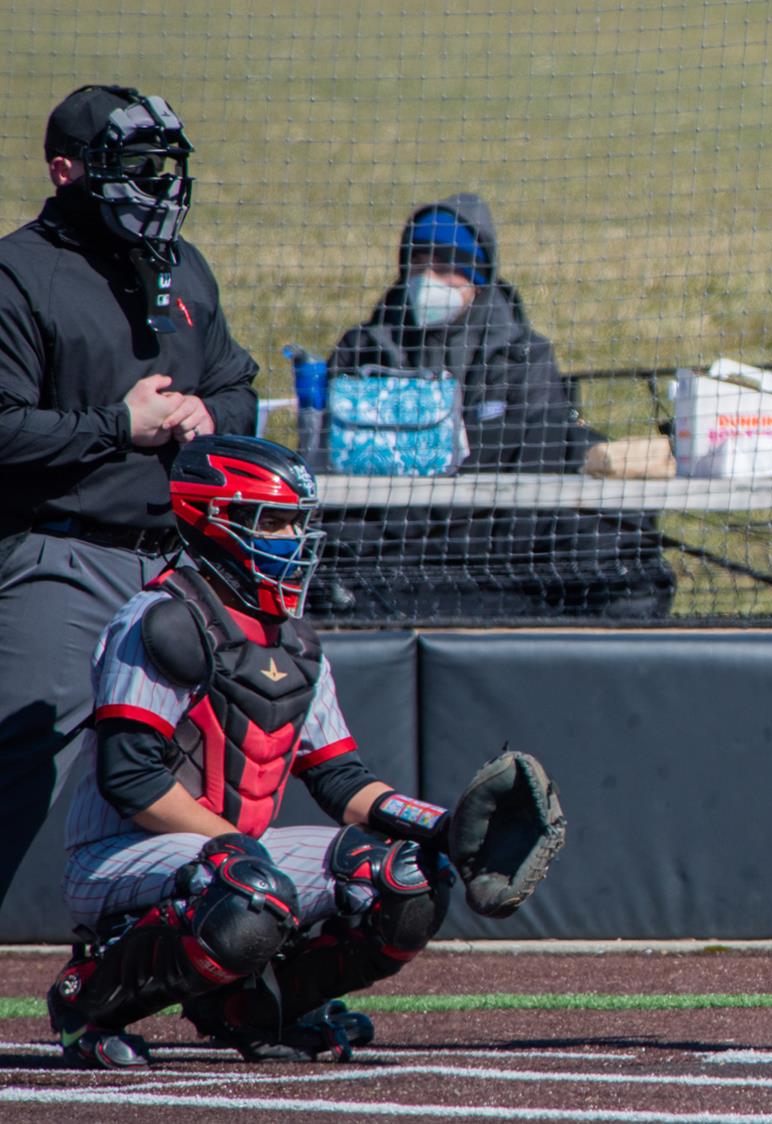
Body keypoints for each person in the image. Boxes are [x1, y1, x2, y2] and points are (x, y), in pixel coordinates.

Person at [46, 435, 456, 1069]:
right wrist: (238, 849)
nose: (293, 537)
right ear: (216, 520)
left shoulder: (294, 642)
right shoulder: (161, 618)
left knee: (407, 881)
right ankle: (88, 1001)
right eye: (275, 521)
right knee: (250, 888)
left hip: (229, 854)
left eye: (298, 522)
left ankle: (254, 1010)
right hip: (117, 855)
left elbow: (341, 779)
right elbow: (131, 778)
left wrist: (445, 828)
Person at [0, 85, 260, 913]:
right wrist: (119, 425)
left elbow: (238, 384)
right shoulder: (18, 274)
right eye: (130, 169)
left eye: (162, 168)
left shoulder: (186, 268)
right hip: (59, 556)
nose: (154, 187)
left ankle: (193, 988)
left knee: (197, 778)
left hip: (176, 572)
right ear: (66, 171)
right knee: (16, 765)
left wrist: (211, 414)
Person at [313, 192, 677, 621]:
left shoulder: (525, 355)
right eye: (419, 263)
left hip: (499, 533)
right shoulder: (362, 349)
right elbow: (330, 454)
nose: (429, 278)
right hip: (391, 532)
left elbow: (543, 458)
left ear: (477, 275)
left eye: (448, 267)